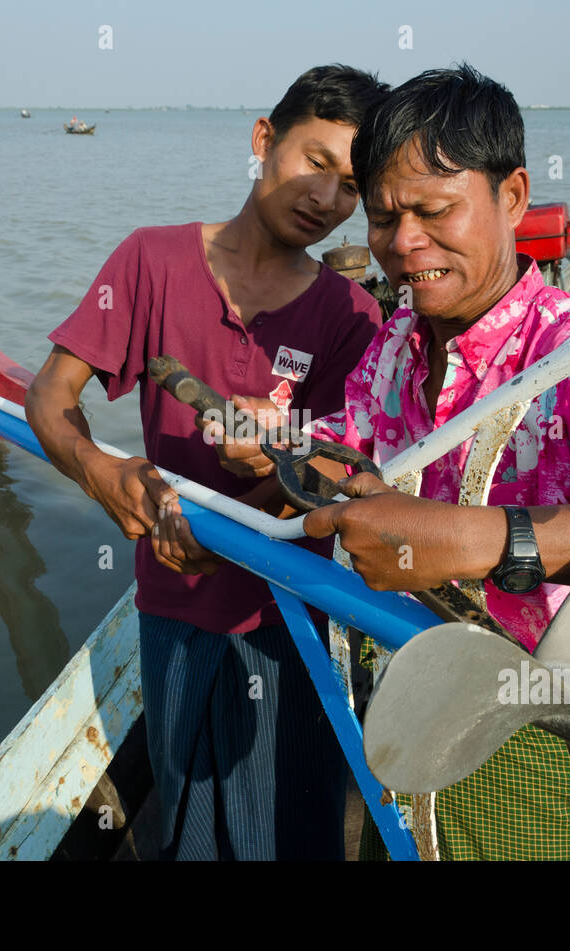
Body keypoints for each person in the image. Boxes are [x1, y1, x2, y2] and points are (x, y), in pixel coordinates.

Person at [207, 64, 570, 860]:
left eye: (434, 210)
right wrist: (286, 442)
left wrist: (483, 540)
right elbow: (353, 448)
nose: (403, 244)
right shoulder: (395, 344)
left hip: (549, 732)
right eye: (385, 218)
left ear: (514, 197)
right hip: (406, 705)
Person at [26, 65, 389, 860]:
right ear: (264, 140)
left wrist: (258, 489)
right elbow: (50, 394)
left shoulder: (350, 314)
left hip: (290, 612)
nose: (327, 199)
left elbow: (338, 465)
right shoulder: (149, 263)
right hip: (173, 599)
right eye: (314, 162)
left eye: (351, 186)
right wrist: (100, 470)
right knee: (185, 813)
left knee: (290, 824)